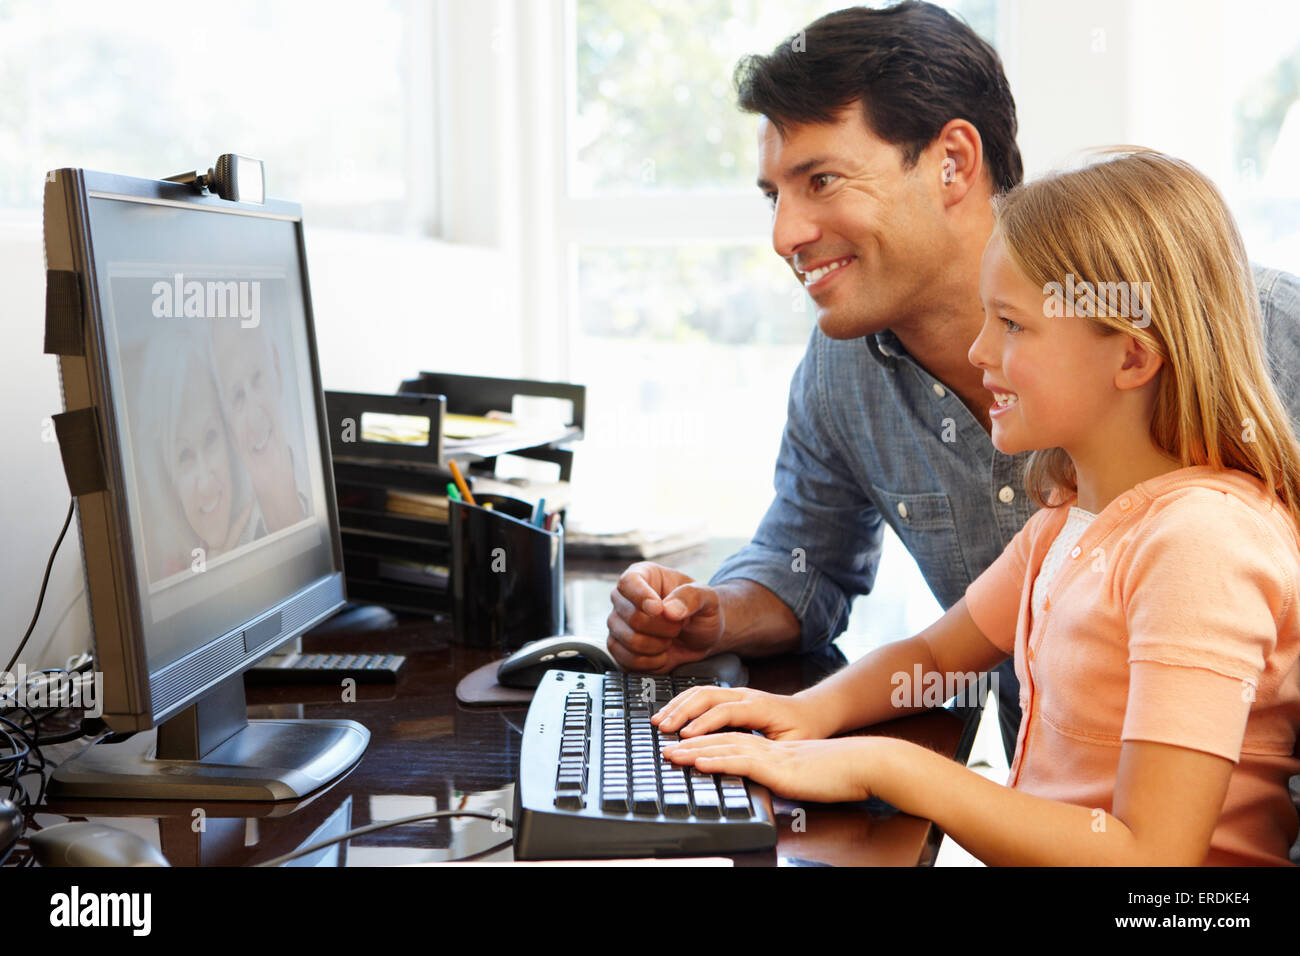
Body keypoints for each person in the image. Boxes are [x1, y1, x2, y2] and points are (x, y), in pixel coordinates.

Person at [606, 1, 1300, 763]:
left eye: (822, 180)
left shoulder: (1257, 328)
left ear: (954, 163)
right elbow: (807, 563)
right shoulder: (842, 371)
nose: (784, 237)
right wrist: (706, 616)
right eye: (775, 197)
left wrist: (887, 768)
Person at [654, 150, 1300, 866]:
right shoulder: (1067, 520)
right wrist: (807, 712)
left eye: (1013, 325)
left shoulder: (1200, 545)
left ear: (1130, 358)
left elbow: (1151, 860)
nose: (979, 349)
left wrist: (891, 767)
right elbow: (935, 656)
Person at [208, 318, 311, 535]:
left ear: (276, 369)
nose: (254, 415)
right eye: (237, 397)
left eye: (257, 378)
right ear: (229, 430)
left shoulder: (324, 493)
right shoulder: (236, 544)